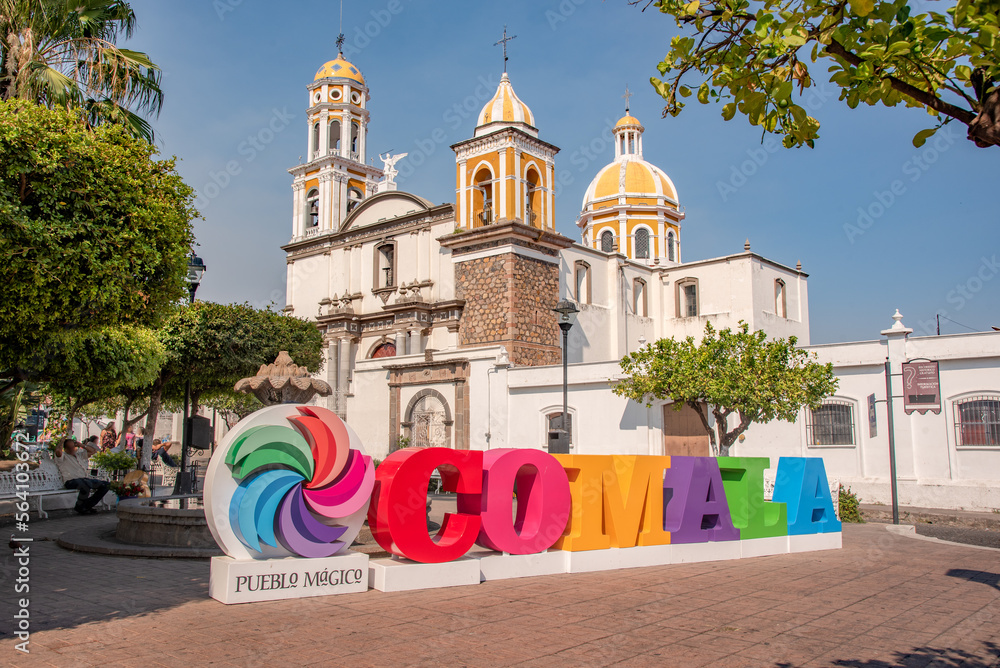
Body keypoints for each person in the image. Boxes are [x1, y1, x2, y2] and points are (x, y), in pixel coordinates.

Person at [53, 438, 109, 515]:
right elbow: (58, 452)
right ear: (65, 449)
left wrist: (82, 445)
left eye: (73, 447)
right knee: (86, 485)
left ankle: (86, 505)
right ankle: (81, 506)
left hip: (84, 479)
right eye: (69, 448)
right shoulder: (63, 457)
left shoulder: (79, 455)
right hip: (71, 481)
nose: (72, 449)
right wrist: (61, 442)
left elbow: (93, 451)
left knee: (105, 485)